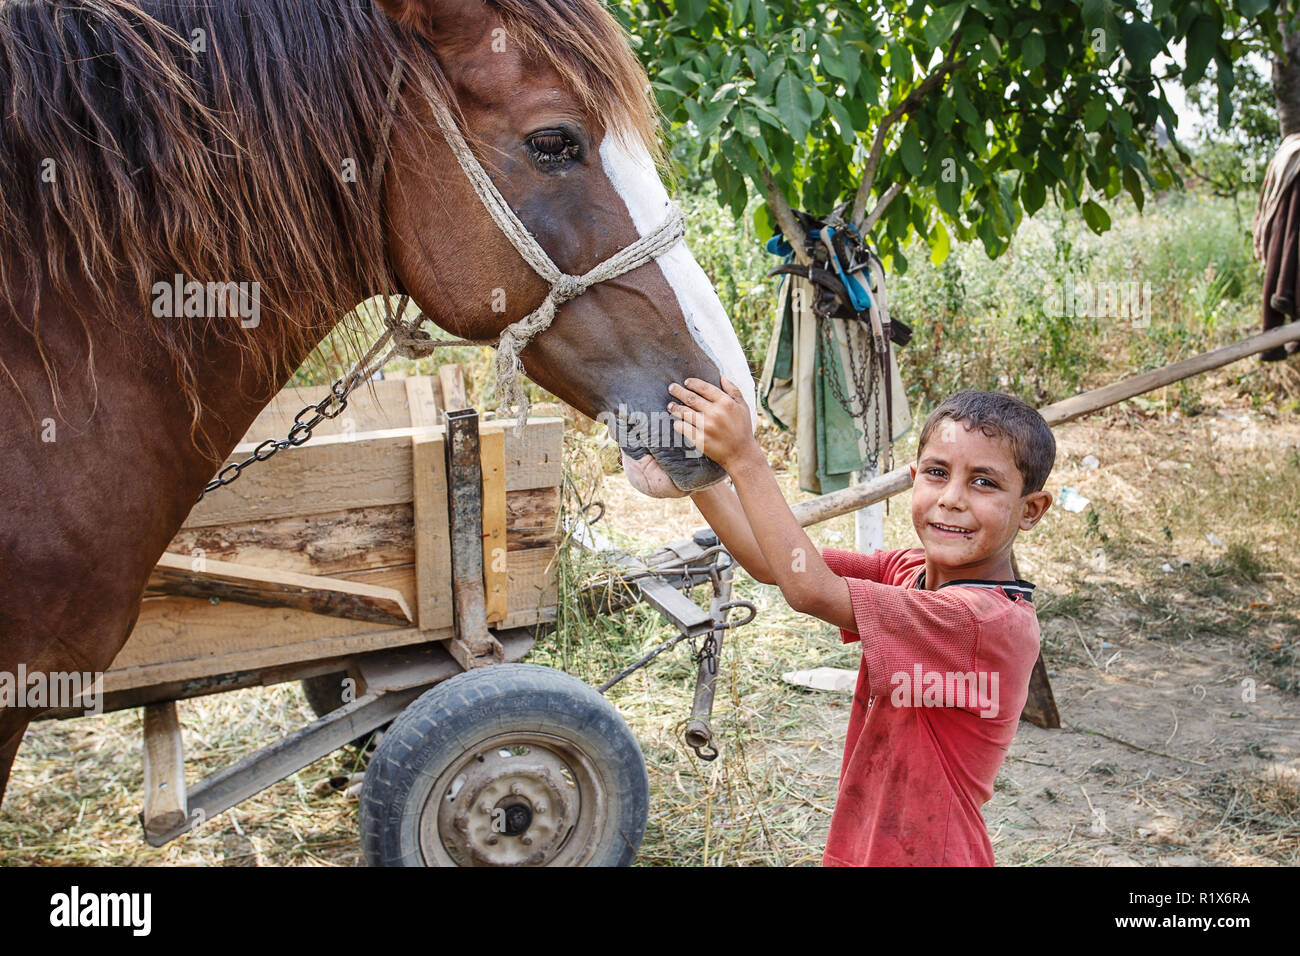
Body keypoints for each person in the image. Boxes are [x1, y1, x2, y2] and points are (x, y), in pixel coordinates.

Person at [669, 380, 1055, 866]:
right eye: (937, 473)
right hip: (871, 843)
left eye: (984, 482)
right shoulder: (910, 571)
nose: (952, 498)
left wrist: (746, 457)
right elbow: (773, 563)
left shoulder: (982, 620)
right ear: (915, 478)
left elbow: (810, 589)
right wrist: (688, 463)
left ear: (1031, 510)